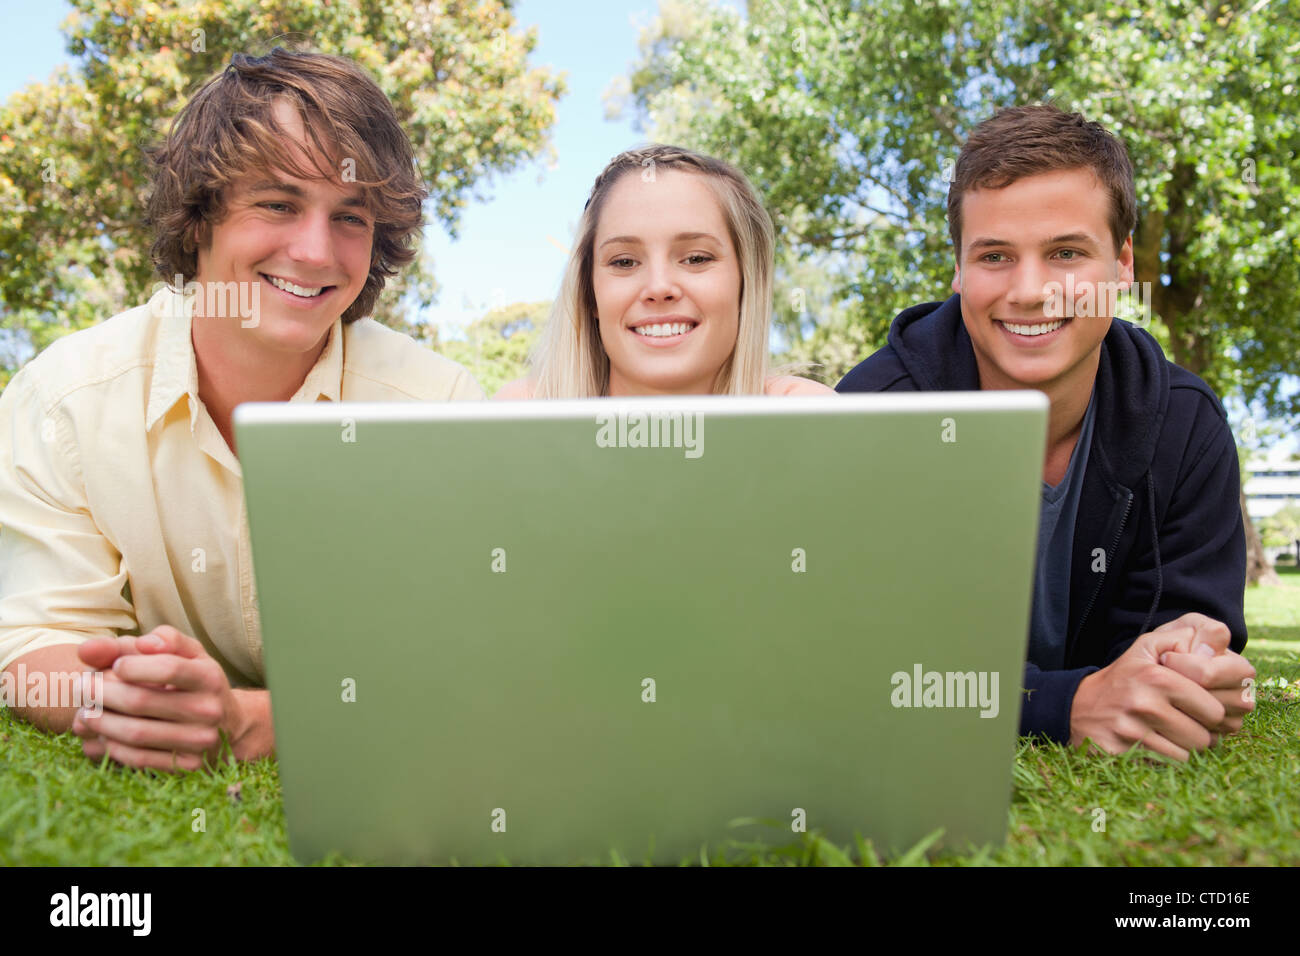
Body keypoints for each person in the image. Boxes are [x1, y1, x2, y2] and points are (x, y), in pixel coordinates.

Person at [0, 49, 483, 771]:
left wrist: (262, 720)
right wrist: (121, 698)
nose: (315, 251)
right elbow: (36, 637)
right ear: (200, 217)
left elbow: (476, 662)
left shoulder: (440, 410)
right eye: (278, 203)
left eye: (350, 216)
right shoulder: (65, 399)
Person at [837, 104, 1254, 761]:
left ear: (1121, 268)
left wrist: (1193, 665)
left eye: (1065, 252)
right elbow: (850, 666)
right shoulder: (871, 415)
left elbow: (1182, 637)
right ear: (958, 271)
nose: (1030, 291)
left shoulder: (1186, 423)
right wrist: (1065, 706)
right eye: (995, 256)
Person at [494, 145, 833, 398]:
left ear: (746, 284)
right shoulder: (517, 421)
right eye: (624, 262)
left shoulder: (807, 418)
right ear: (589, 293)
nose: (659, 286)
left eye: (696, 258)